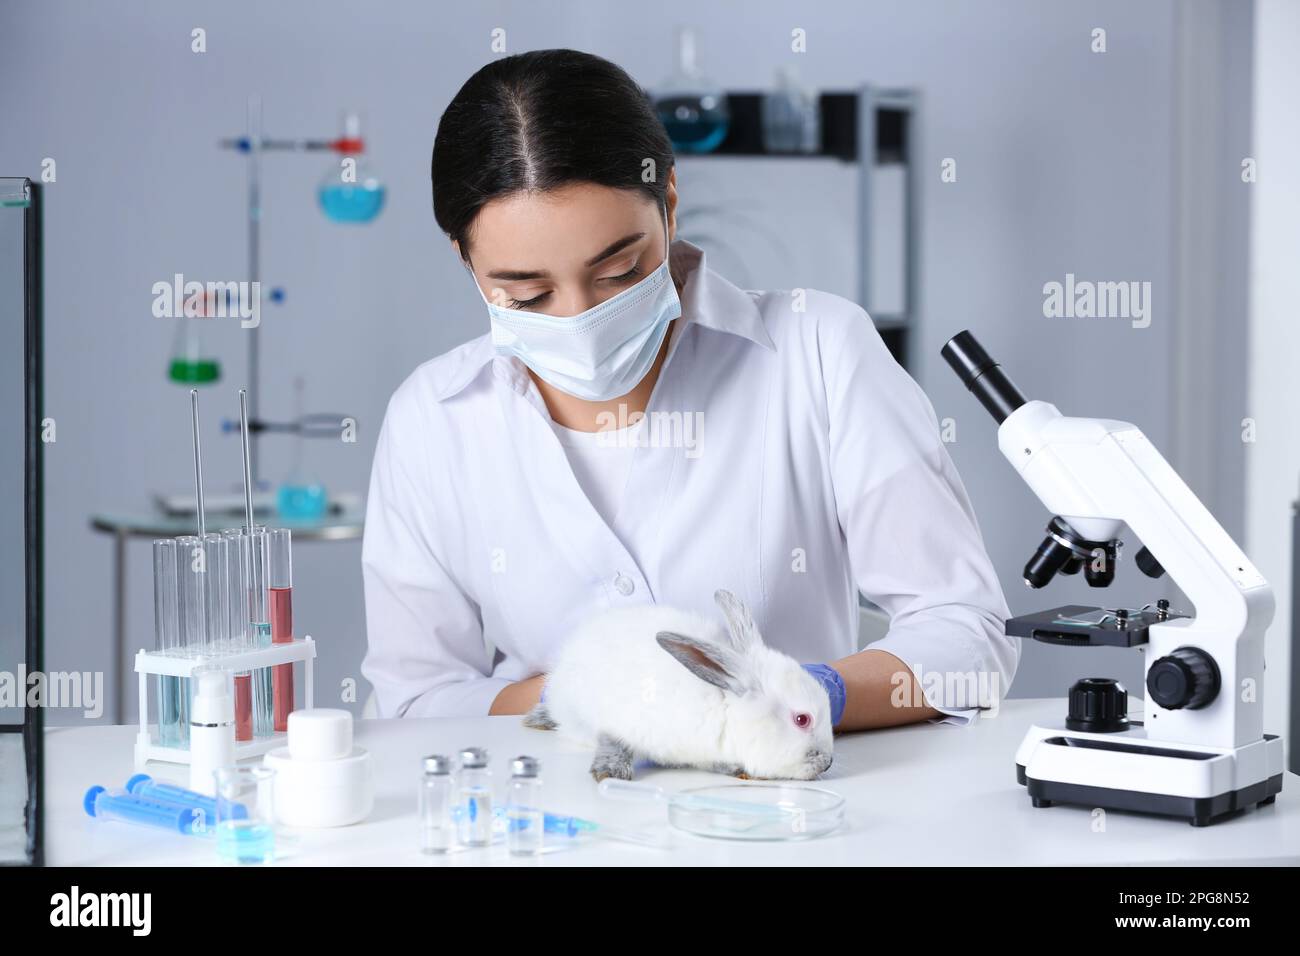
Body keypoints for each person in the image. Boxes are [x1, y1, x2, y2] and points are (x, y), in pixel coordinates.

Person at [361, 48, 1017, 731]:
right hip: (546, 821)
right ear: (465, 259)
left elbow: (966, 637)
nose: (579, 318)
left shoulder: (819, 351)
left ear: (668, 202)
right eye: (528, 294)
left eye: (618, 271)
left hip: (792, 818)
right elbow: (417, 701)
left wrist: (788, 697)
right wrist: (594, 694)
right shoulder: (432, 417)